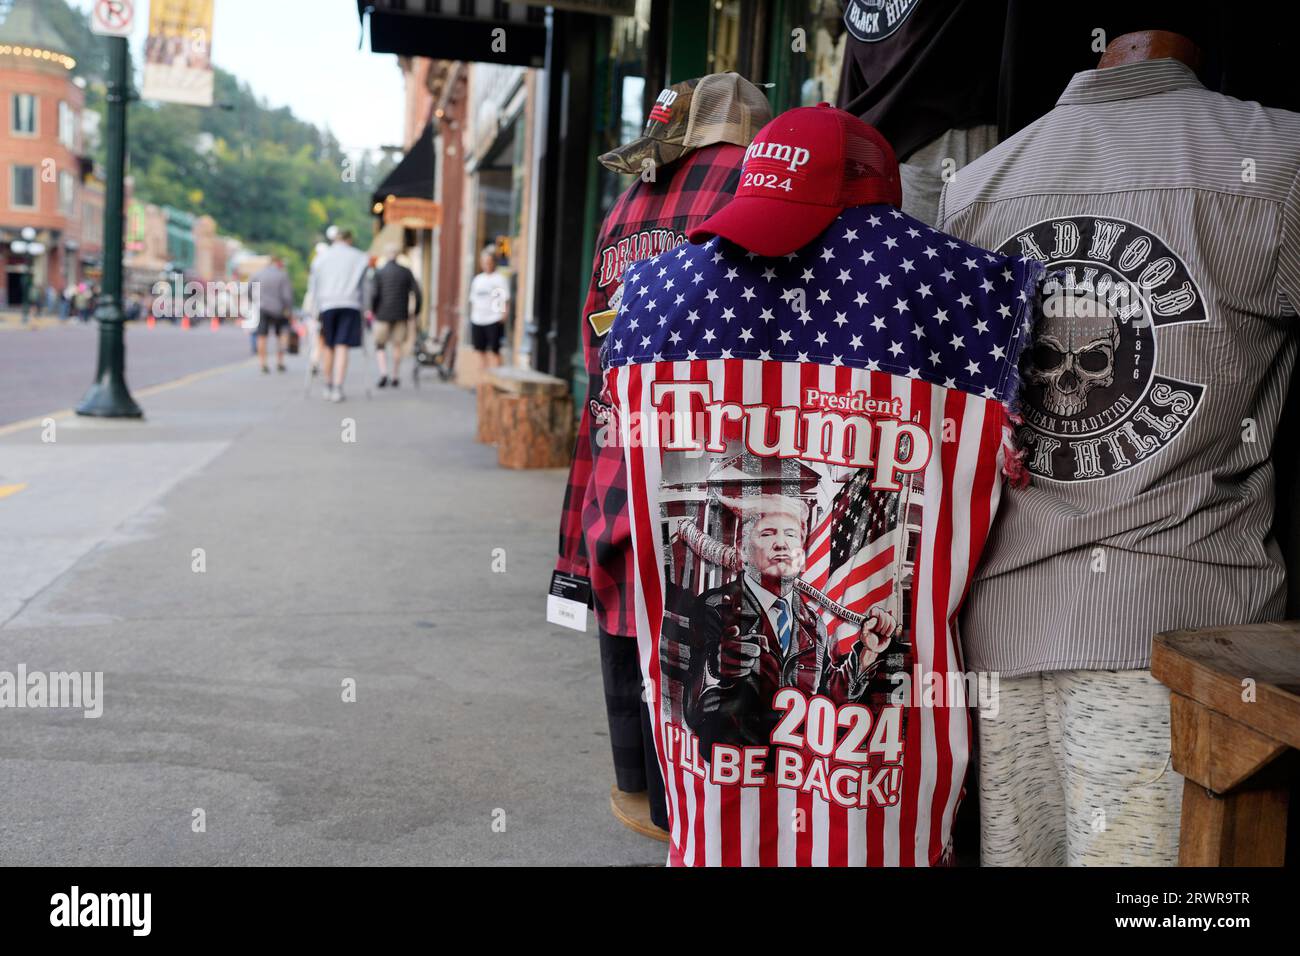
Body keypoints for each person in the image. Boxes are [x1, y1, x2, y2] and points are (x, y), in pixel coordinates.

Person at [684, 495, 897, 759]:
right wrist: (717, 668)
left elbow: (828, 698)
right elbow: (692, 710)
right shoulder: (716, 607)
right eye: (768, 533)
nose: (782, 543)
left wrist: (866, 654)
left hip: (797, 773)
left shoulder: (813, 623)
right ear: (742, 550)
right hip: (735, 772)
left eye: (791, 534)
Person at [307, 229, 370, 402]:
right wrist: (367, 308)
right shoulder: (359, 257)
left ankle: (328, 384)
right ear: (349, 240)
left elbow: (314, 286)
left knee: (329, 345)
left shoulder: (321, 258)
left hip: (327, 304)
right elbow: (365, 287)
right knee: (342, 345)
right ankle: (337, 386)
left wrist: (313, 309)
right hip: (350, 304)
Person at [369, 252, 422, 388]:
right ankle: (395, 375)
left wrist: (373, 310)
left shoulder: (379, 272)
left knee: (380, 345)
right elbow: (417, 292)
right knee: (397, 345)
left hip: (382, 314)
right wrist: (416, 311)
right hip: (401, 314)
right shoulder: (406, 272)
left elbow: (374, 294)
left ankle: (383, 373)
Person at [251, 256, 295, 373]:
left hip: (263, 308)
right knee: (280, 336)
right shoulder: (282, 275)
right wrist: (289, 310)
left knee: (262, 336)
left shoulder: (258, 274)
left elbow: (250, 289)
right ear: (278, 263)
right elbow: (287, 296)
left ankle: (263, 364)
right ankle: (280, 362)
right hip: (279, 310)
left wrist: (254, 301)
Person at [467, 247, 509, 368]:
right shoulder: (478, 279)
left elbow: (505, 300)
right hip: (478, 319)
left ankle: (495, 382)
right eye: (484, 262)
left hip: (493, 319)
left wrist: (503, 315)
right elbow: (473, 300)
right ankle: (482, 384)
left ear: (493, 263)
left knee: (495, 352)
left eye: (489, 262)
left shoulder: (499, 279)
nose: (487, 265)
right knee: (480, 352)